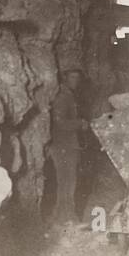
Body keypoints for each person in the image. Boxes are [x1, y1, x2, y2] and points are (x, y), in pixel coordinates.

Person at [48, 68, 88, 225]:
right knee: (67, 181)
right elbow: (59, 122)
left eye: (77, 78)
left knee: (67, 181)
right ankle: (66, 217)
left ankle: (63, 216)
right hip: (63, 145)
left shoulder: (69, 95)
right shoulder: (63, 97)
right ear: (65, 78)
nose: (75, 81)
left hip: (66, 145)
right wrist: (80, 123)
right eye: (72, 77)